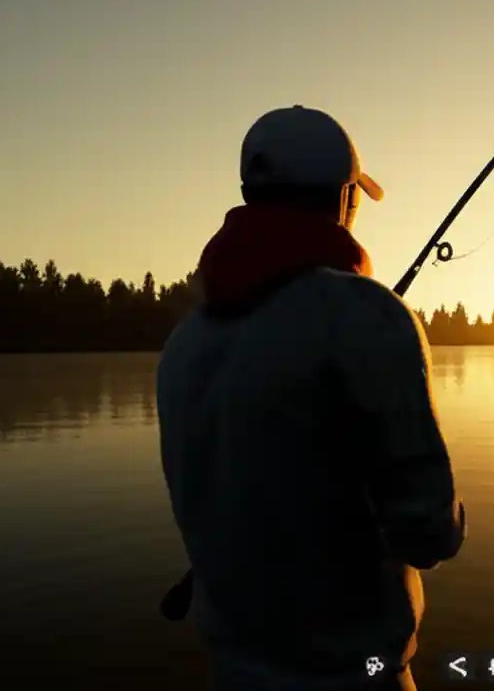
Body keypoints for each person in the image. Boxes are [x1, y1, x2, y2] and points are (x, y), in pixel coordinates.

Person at [156, 105, 467, 690]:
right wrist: (453, 523)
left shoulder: (185, 342)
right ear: (344, 198)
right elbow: (427, 534)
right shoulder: (370, 316)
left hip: (234, 674)